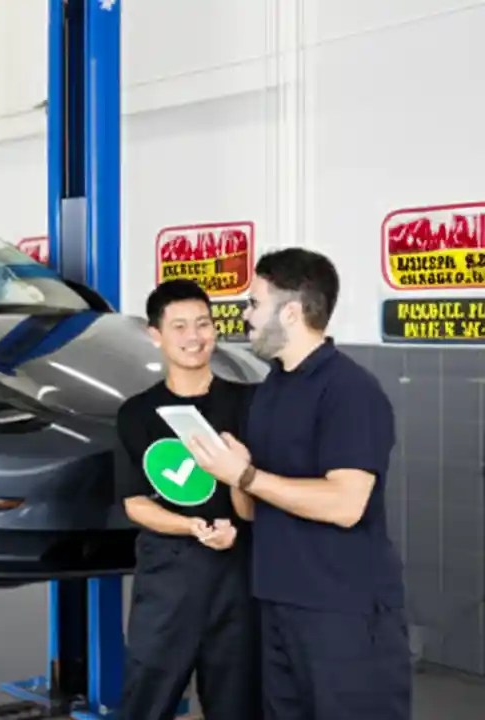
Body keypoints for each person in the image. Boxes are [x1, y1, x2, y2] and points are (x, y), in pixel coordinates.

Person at [187, 248, 410, 720]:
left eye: (253, 303)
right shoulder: (271, 388)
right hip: (277, 602)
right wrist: (231, 473)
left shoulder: (350, 391)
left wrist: (246, 474)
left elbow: (347, 503)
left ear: (290, 311)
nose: (244, 315)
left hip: (342, 611)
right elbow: (252, 511)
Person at [114, 279, 261, 720]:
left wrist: (238, 479)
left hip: (237, 579)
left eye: (202, 324)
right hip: (167, 578)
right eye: (179, 326)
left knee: (238, 705)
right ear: (155, 335)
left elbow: (255, 502)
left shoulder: (248, 403)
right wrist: (191, 526)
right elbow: (134, 503)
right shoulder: (137, 413)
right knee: (147, 701)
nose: (194, 337)